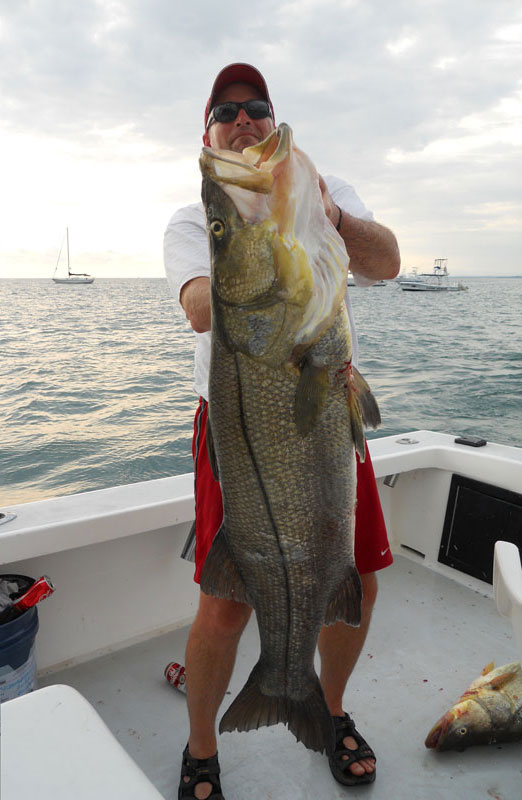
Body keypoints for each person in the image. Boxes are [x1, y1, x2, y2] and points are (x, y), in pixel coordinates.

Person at [164, 63, 400, 800]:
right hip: (242, 427)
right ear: (207, 136)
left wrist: (326, 216)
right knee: (225, 600)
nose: (243, 120)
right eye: (225, 113)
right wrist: (241, 235)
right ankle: (203, 747)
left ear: (273, 120)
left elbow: (387, 263)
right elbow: (203, 306)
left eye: (256, 107)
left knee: (352, 577)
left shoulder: (323, 195)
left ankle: (325, 710)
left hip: (327, 407)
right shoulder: (192, 221)